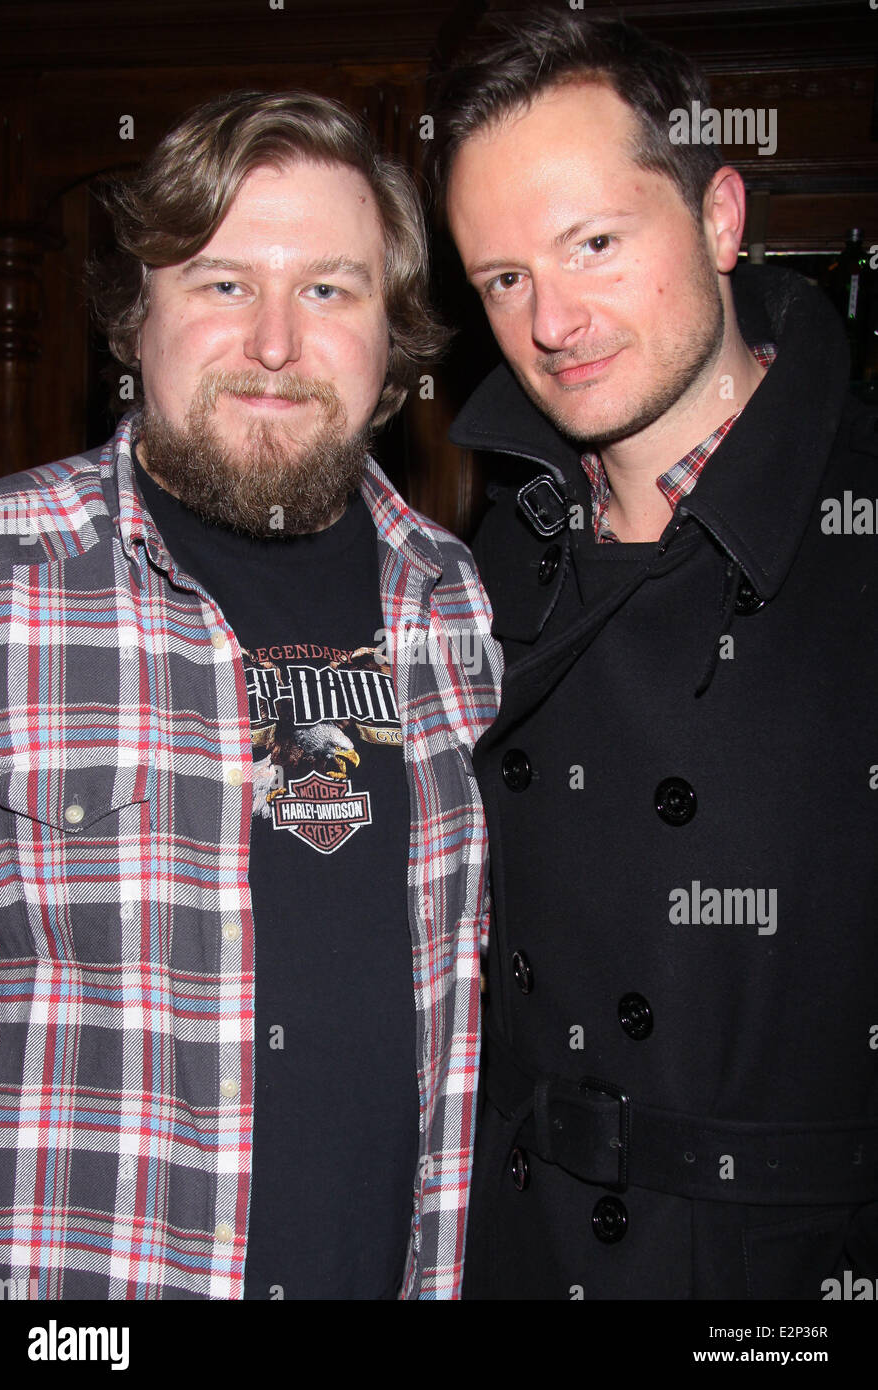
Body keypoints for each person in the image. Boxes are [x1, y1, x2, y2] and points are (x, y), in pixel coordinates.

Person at [0, 90, 502, 1300]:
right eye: (221, 282)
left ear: (394, 342)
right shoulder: (0, 582)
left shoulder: (464, 607)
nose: (275, 341)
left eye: (329, 289)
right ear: (132, 317)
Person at [429, 9, 878, 1299]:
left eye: (595, 245)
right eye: (504, 277)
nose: (552, 320)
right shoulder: (491, 552)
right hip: (513, 1250)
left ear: (721, 218)